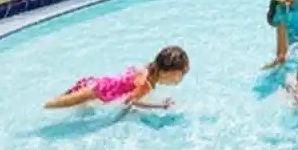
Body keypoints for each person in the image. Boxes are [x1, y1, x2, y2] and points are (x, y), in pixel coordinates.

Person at [44, 46, 189, 110]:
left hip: (96, 85)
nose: (183, 75)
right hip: (93, 92)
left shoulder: (149, 69)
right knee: (49, 106)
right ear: (165, 73)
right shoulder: (146, 85)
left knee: (53, 104)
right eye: (180, 73)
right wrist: (160, 106)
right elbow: (130, 102)